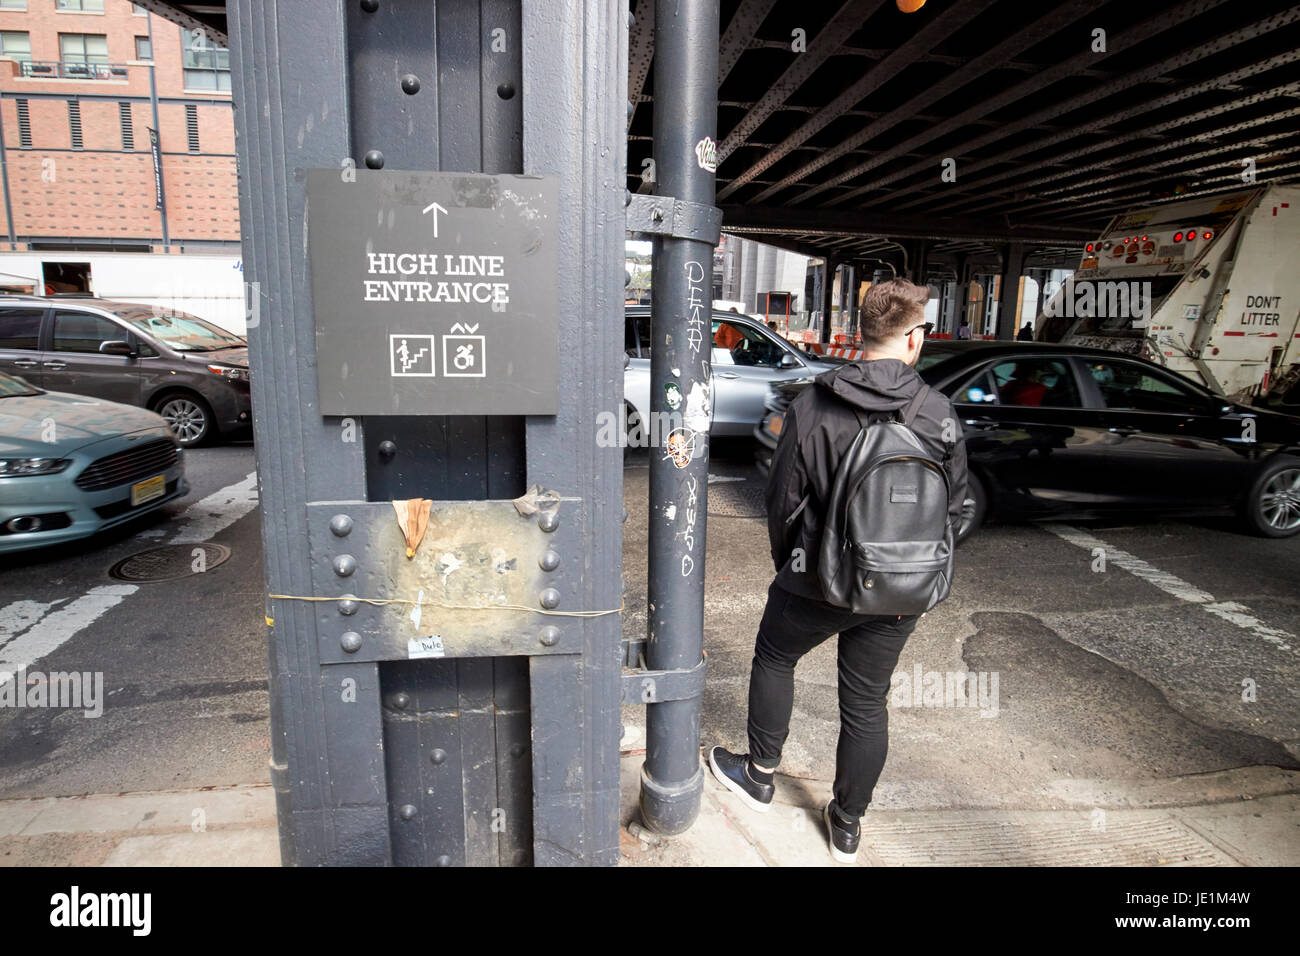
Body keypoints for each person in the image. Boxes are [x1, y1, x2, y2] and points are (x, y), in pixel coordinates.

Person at [708, 278, 968, 864]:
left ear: (858, 335)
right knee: (867, 699)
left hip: (816, 578)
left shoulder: (812, 404)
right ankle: (847, 824)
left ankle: (759, 774)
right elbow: (952, 508)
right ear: (915, 339)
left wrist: (792, 567)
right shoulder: (939, 412)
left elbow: (781, 500)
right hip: (899, 587)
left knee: (776, 657)